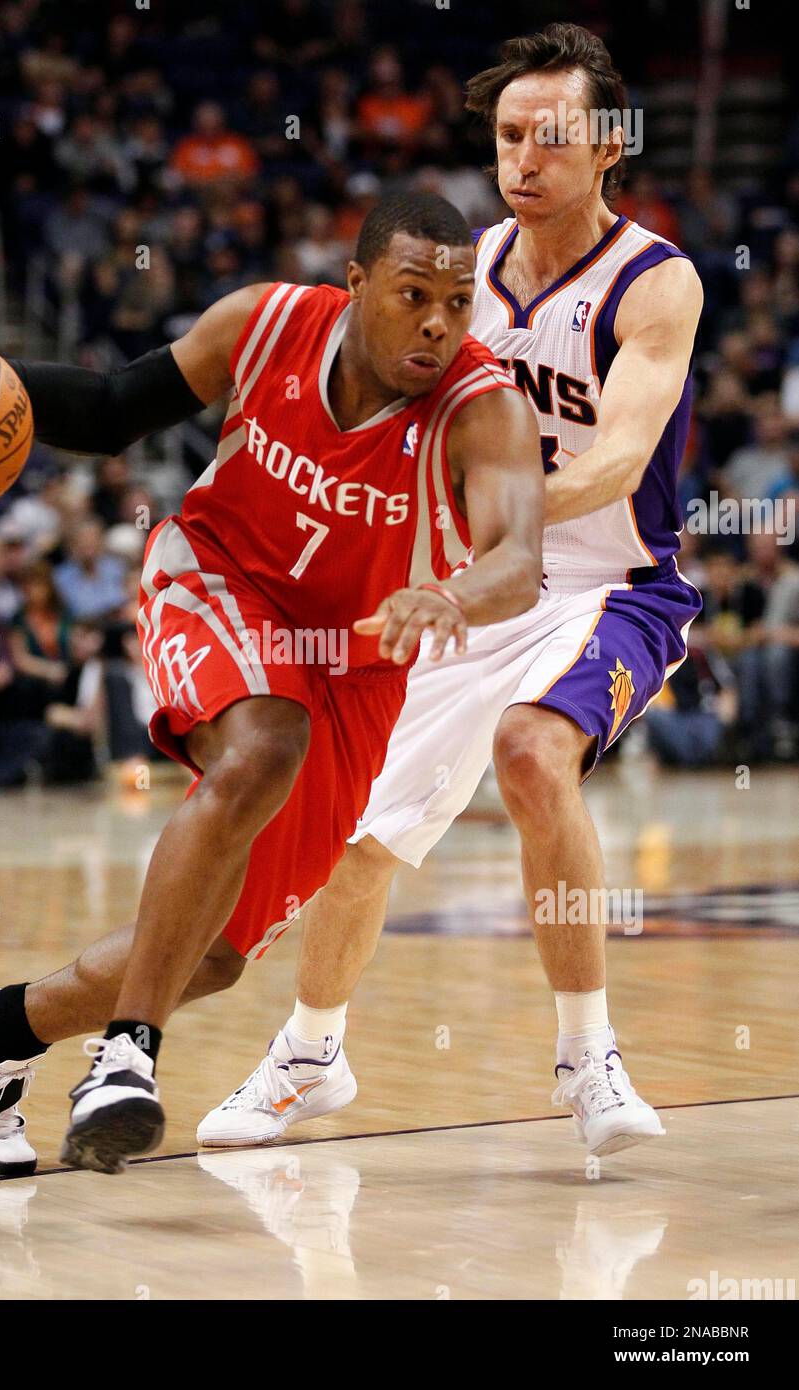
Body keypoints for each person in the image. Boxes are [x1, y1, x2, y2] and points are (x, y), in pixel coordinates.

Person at [0, 191, 544, 1176]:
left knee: (209, 954)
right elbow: (108, 411)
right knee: (266, 742)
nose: (437, 322)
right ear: (355, 286)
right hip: (215, 576)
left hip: (353, 667)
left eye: (456, 300)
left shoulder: (484, 408)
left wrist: (453, 596)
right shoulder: (262, 323)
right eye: (411, 294)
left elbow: (516, 556)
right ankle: (125, 1057)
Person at [200, 22, 705, 1159]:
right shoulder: (454, 275)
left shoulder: (653, 280)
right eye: (508, 137)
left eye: (551, 137)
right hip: (473, 580)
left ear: (608, 145)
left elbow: (621, 458)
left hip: (608, 578)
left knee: (531, 750)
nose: (524, 159)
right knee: (357, 836)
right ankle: (310, 1057)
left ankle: (587, 1056)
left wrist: (492, 525)